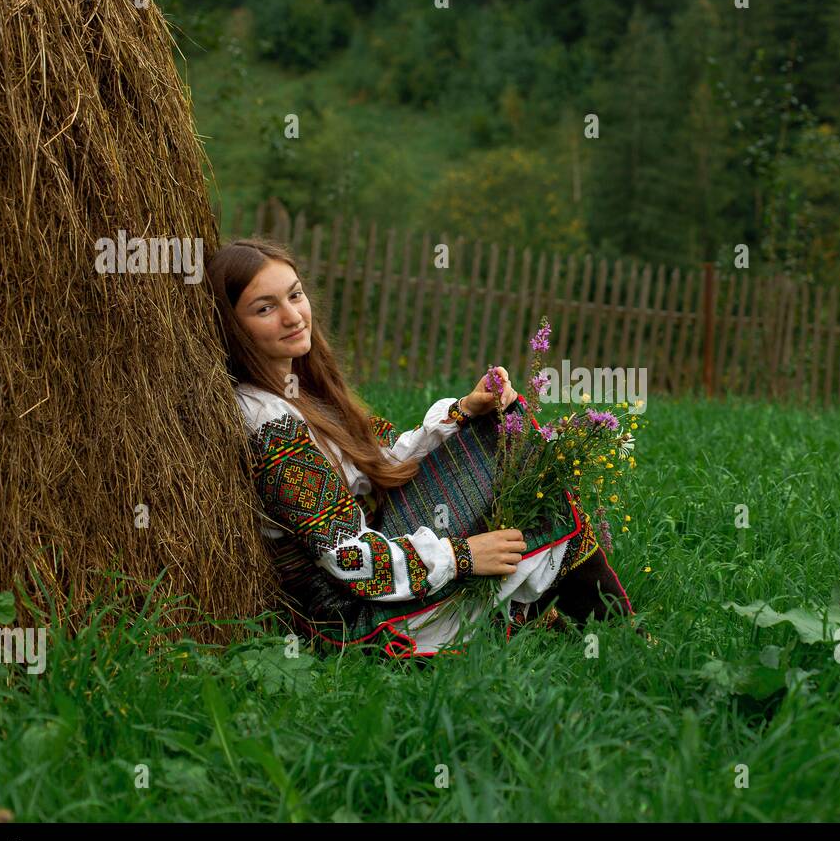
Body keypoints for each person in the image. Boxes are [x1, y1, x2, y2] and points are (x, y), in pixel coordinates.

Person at [206, 237, 646, 658]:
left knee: (519, 459)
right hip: (350, 612)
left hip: (378, 550)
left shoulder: (301, 385)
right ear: (232, 326)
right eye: (265, 308)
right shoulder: (268, 421)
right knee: (543, 505)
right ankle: (611, 634)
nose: (292, 316)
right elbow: (347, 556)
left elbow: (375, 462)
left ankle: (563, 617)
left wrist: (463, 412)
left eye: (295, 295)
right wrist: (463, 556)